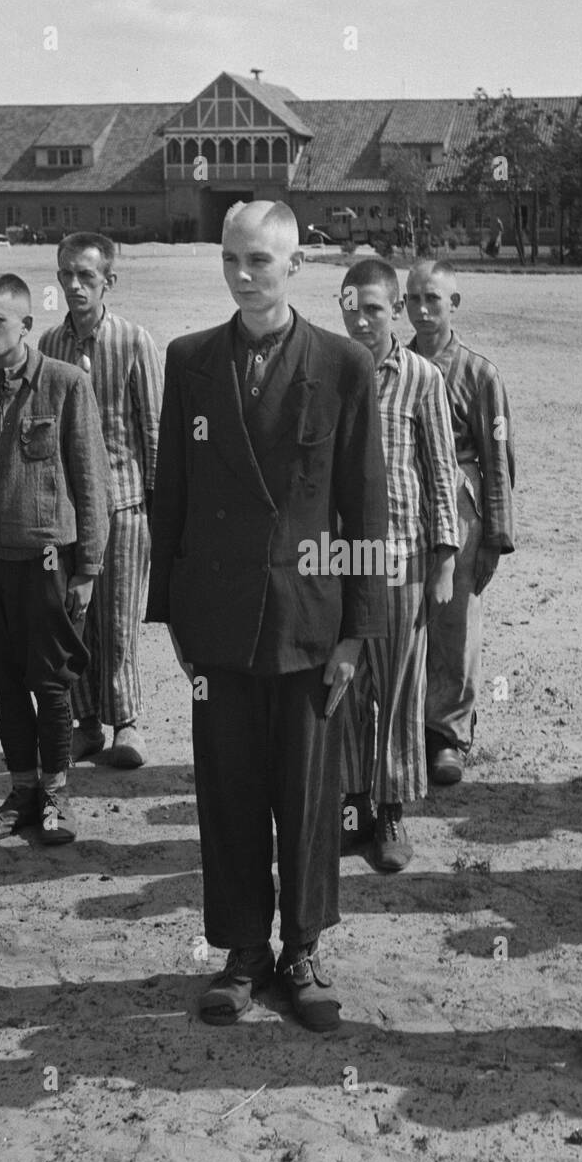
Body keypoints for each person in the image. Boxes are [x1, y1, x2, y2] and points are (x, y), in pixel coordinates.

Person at [147, 201, 388, 1032]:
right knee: (230, 793)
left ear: (295, 267)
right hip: (218, 622)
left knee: (311, 799)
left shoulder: (345, 364)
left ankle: (305, 950)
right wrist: (173, 617)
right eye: (231, 261)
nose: (245, 276)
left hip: (312, 623)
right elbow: (169, 492)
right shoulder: (189, 362)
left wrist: (358, 632)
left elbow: (366, 509)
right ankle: (244, 951)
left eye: (260, 262)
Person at [0, 275, 110, 845]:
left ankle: (56, 793)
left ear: (27, 326)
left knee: (53, 684)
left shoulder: (65, 385)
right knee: (5, 684)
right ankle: (20, 792)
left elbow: (90, 482)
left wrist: (86, 570)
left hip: (46, 562)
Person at [338, 257, 459, 873]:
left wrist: (444, 561)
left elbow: (441, 472)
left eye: (374, 309)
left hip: (405, 561)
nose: (360, 320)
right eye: (349, 306)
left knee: (399, 689)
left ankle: (390, 813)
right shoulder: (327, 370)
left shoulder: (420, 378)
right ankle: (354, 806)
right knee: (346, 687)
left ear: (396, 311)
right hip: (339, 560)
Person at [38, 232, 162, 769]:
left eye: (85, 276)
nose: (73, 285)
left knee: (121, 618)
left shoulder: (134, 342)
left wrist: (159, 507)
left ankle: (127, 725)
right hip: (70, 514)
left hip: (128, 506)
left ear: (108, 281)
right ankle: (86, 724)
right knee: (75, 618)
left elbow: (153, 431)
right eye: (66, 274)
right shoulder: (48, 344)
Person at [405, 259, 515, 786]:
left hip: (461, 503)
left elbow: (498, 458)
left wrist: (495, 537)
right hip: (404, 506)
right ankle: (405, 729)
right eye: (414, 301)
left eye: (434, 300)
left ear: (455, 303)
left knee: (454, 623)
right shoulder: (393, 364)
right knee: (405, 617)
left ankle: (447, 735)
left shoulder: (479, 373)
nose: (423, 311)